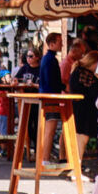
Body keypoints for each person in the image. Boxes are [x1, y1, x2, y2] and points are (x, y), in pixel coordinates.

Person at [66, 42, 98, 172]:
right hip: (84, 111)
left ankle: (75, 168)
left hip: (80, 109)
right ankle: (76, 169)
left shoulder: (78, 71)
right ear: (93, 62)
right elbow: (95, 90)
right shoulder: (85, 74)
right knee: (81, 139)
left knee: (79, 139)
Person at [37, 31, 64, 163]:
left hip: (47, 96)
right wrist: (63, 88)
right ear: (52, 44)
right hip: (50, 97)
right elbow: (52, 80)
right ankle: (45, 158)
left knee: (48, 128)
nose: (62, 44)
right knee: (50, 128)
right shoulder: (50, 60)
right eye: (60, 42)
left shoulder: (47, 58)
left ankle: (43, 157)